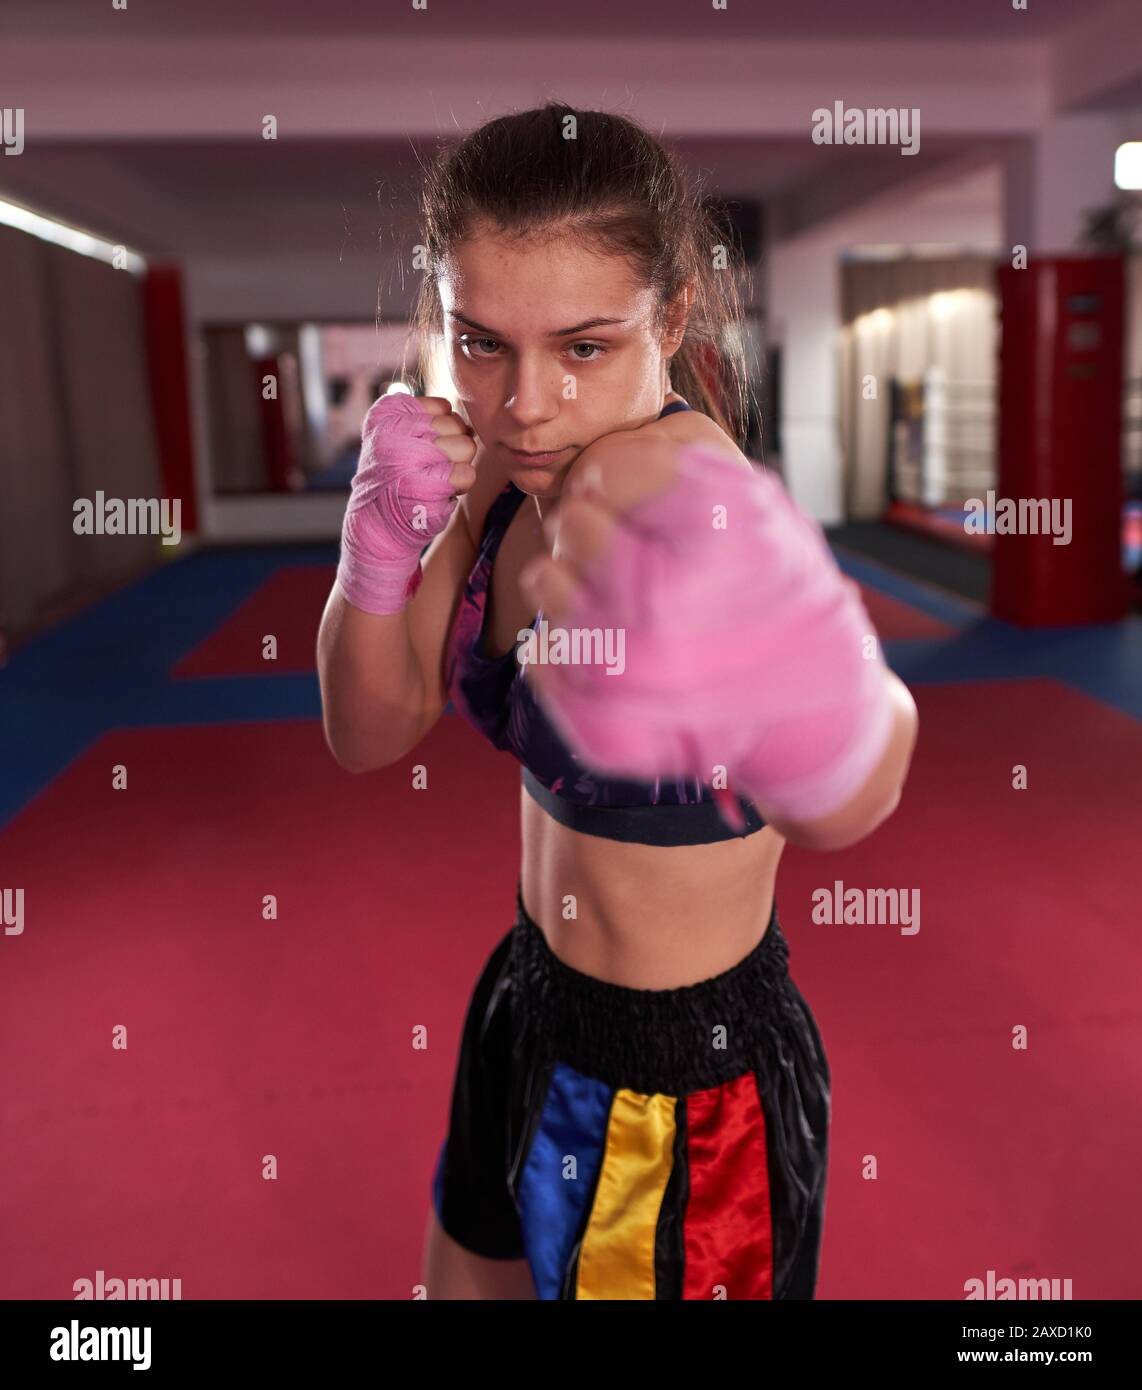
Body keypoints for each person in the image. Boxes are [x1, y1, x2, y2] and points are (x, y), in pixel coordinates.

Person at [317, 102, 919, 1300]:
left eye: (583, 347)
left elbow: (860, 786)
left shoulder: (683, 492)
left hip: (676, 1085)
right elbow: (368, 731)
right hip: (525, 998)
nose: (524, 402)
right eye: (480, 342)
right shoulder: (485, 469)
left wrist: (804, 682)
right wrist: (374, 554)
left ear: (673, 318)